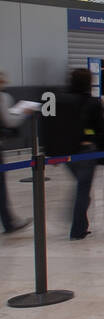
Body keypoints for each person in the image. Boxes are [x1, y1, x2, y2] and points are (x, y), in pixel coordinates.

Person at [47, 68, 104, 240]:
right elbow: (99, 128)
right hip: (86, 151)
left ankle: (80, 221)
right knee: (82, 189)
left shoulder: (60, 100)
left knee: (81, 188)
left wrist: (53, 152)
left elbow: (54, 128)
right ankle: (77, 228)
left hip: (67, 151)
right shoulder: (93, 102)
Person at [0, 70, 33, 234]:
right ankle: (9, 222)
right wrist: (24, 113)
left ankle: (8, 221)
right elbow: (10, 120)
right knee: (0, 187)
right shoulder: (2, 97)